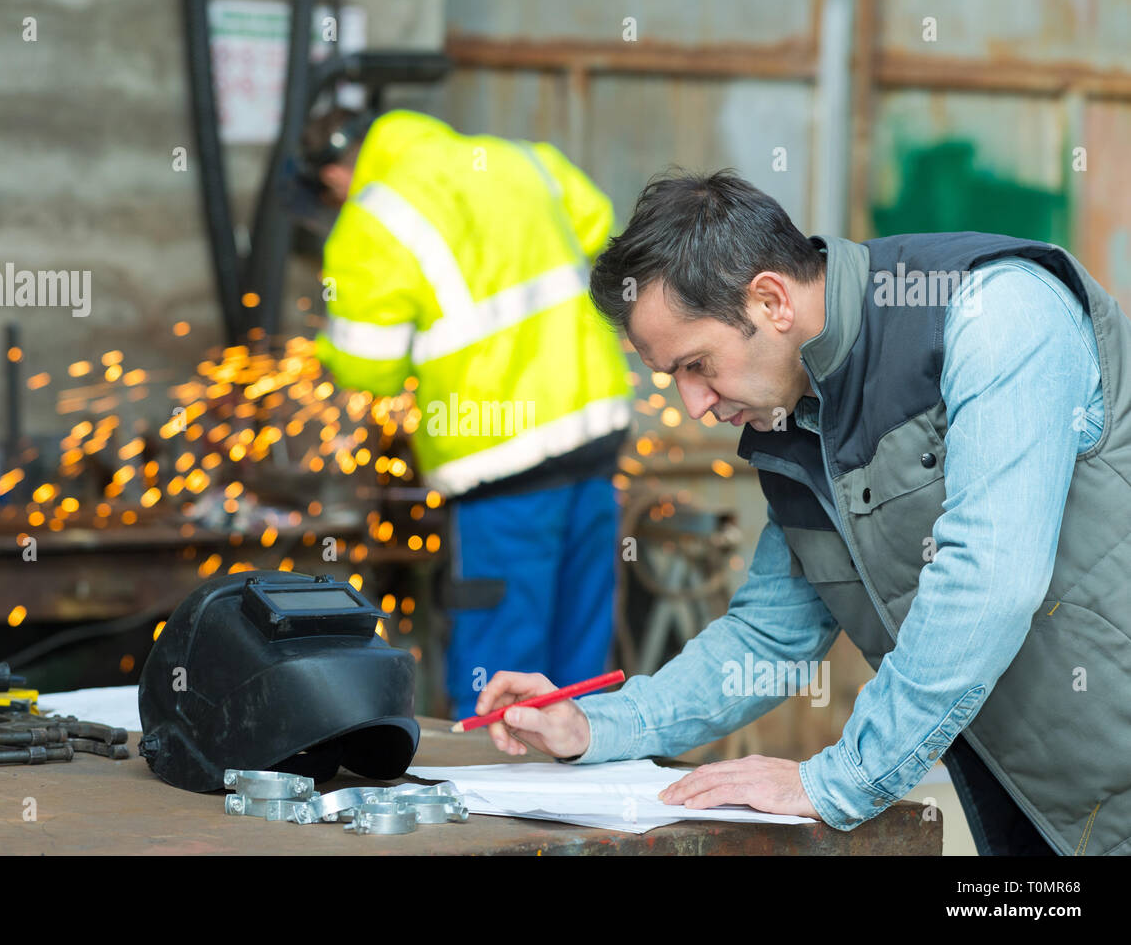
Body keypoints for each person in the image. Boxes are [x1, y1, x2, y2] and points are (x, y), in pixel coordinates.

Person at [475, 169, 1131, 857]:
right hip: (1043, 807)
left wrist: (837, 780)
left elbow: (990, 582)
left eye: (698, 364)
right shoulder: (796, 425)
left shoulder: (995, 314)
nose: (695, 405)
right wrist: (599, 725)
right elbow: (767, 639)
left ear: (771, 300)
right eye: (675, 378)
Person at [307, 108, 632, 720]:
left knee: (500, 679)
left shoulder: (374, 213)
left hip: (499, 460)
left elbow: (366, 366)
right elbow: (599, 225)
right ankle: (588, 794)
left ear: (334, 172)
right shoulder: (522, 159)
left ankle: (494, 800)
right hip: (594, 433)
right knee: (581, 664)